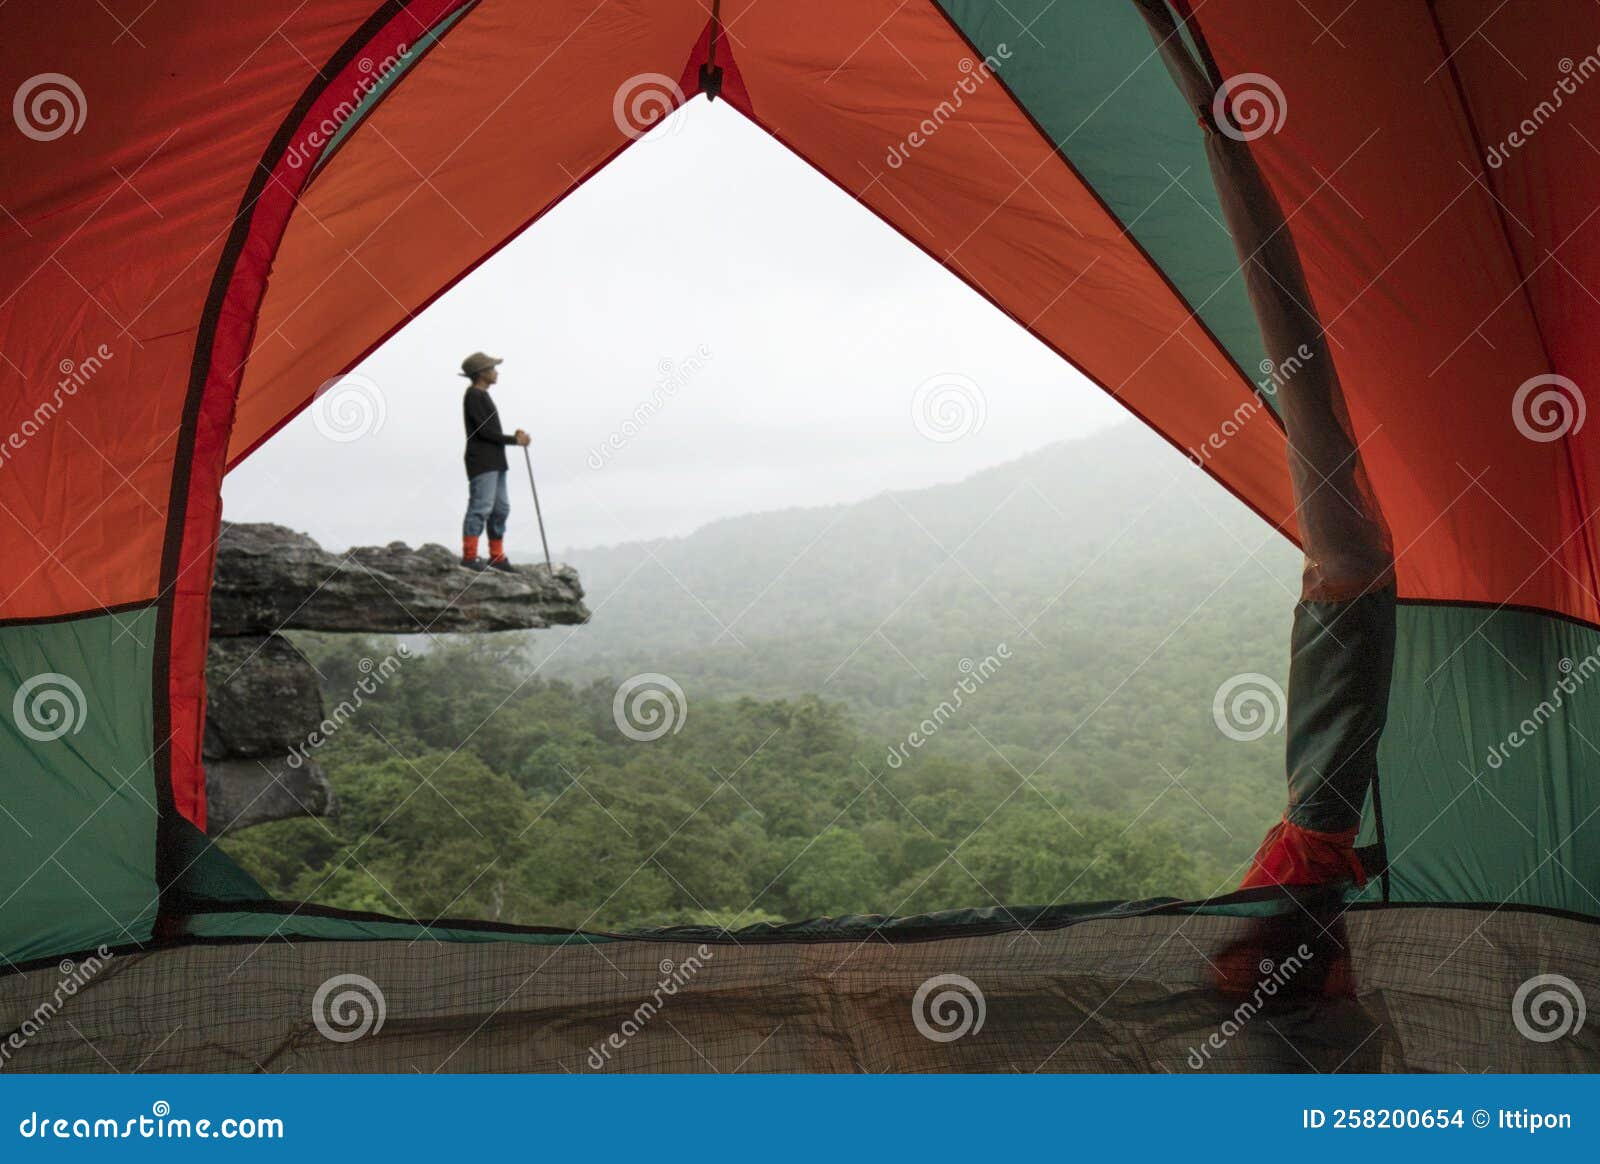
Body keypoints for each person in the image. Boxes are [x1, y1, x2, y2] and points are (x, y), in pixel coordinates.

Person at [458, 351, 529, 572]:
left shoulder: (481, 395)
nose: (496, 372)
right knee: (481, 507)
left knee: (500, 508)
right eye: (492, 369)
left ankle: (496, 557)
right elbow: (484, 432)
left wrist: (512, 438)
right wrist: (514, 440)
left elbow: (488, 431)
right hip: (482, 460)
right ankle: (470, 557)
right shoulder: (474, 395)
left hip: (494, 460)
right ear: (482, 373)